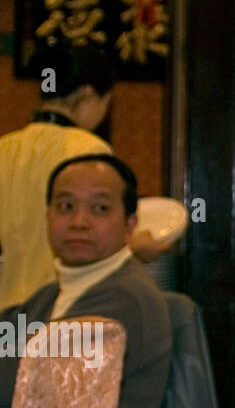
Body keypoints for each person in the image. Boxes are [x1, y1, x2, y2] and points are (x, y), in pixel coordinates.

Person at [0, 154, 172, 408]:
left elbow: (30, 397)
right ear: (47, 217)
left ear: (130, 225)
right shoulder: (52, 296)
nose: (79, 221)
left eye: (99, 208)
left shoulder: (124, 300)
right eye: (65, 206)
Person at [0, 45, 166, 308]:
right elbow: (93, 239)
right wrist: (135, 246)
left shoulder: (5, 147)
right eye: (105, 103)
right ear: (88, 94)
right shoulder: (89, 150)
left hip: (8, 312)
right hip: (61, 305)